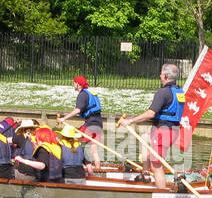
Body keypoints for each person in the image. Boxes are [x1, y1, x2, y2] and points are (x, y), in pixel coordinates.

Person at [118, 62, 184, 190]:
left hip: (162, 132)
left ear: (165, 75)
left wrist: (130, 121)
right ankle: (146, 173)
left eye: (161, 73)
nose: (159, 76)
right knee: (144, 138)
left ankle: (162, 195)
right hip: (173, 131)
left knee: (157, 166)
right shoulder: (179, 91)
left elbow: (151, 113)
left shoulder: (163, 92)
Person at [59, 75, 104, 166]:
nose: (73, 84)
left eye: (74, 83)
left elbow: (77, 110)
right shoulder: (89, 92)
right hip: (99, 123)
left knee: (70, 136)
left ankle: (71, 161)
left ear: (79, 85)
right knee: (94, 150)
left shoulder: (83, 94)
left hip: (91, 124)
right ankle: (98, 171)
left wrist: (64, 118)